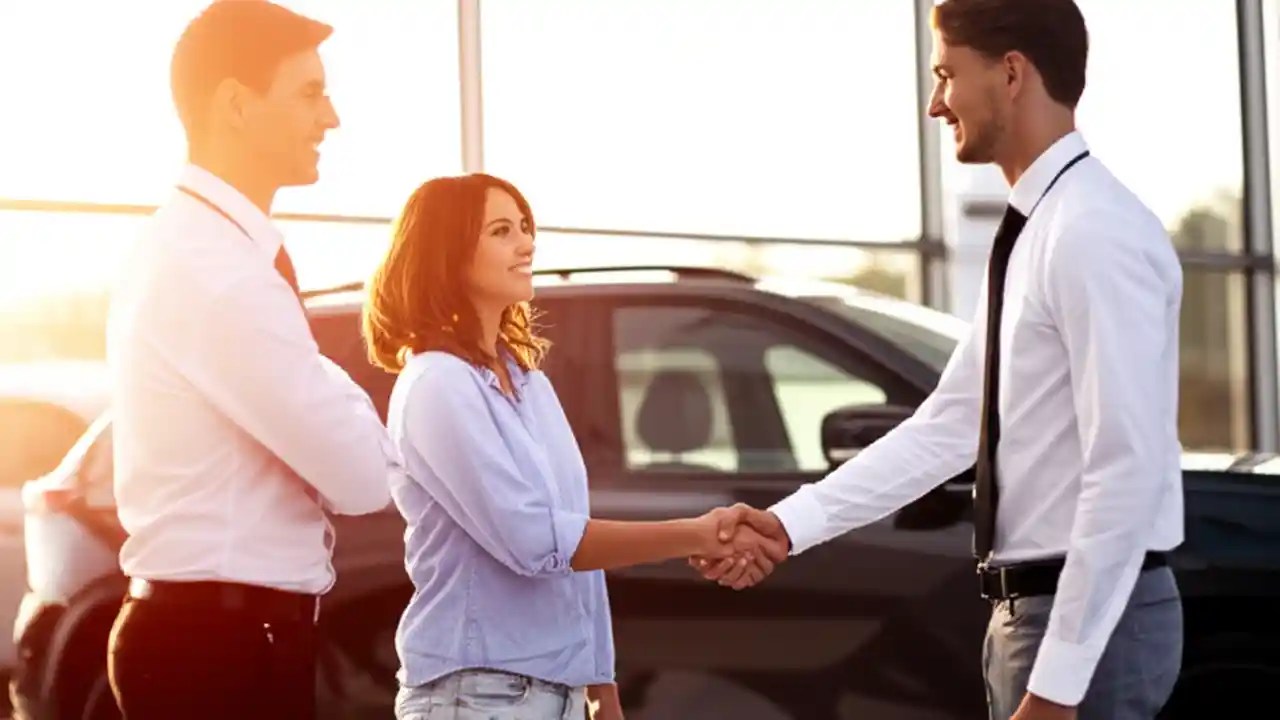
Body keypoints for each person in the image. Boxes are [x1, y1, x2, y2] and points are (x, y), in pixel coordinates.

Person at [697, 1, 1184, 719]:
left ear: (1011, 74)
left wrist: (1057, 688)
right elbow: (951, 426)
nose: (935, 103)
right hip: (1036, 619)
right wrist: (791, 524)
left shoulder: (1091, 233)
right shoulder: (1038, 228)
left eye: (947, 74)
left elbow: (1127, 469)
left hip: (1082, 626)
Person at [361, 173, 786, 720]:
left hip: (554, 695)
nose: (526, 243)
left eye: (524, 227)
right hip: (475, 697)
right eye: (501, 230)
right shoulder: (437, 383)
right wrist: (696, 534)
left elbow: (571, 539)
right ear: (449, 254)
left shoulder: (530, 384)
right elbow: (536, 541)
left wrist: (601, 685)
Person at [104, 3, 399, 718]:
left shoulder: (202, 248)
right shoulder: (218, 270)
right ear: (236, 103)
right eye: (308, 92)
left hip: (215, 641)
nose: (330, 118)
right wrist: (340, 388)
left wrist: (315, 375)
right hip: (218, 653)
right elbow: (364, 476)